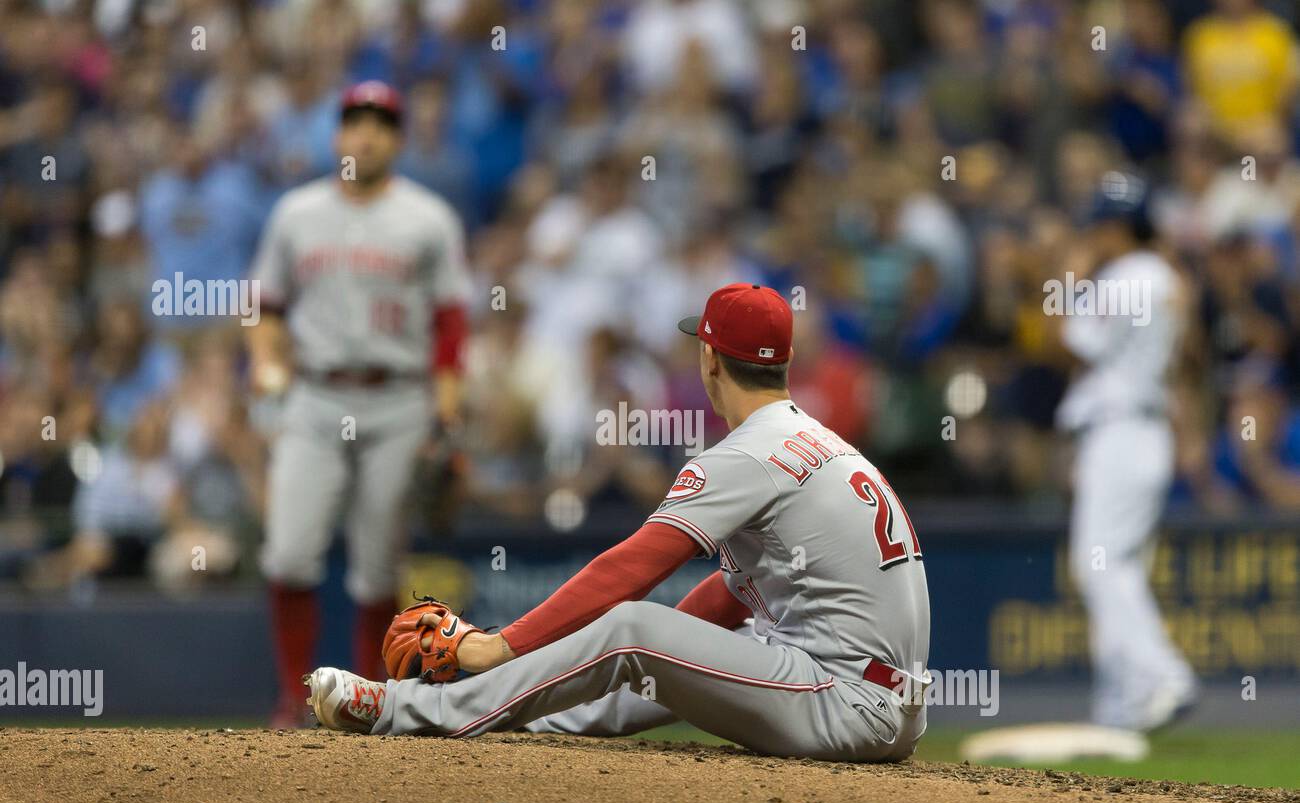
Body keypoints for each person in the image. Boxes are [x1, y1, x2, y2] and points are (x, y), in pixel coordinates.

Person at [304, 283, 931, 763]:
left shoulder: (746, 454)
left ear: (710, 360)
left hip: (846, 702)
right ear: (783, 363)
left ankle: (406, 708)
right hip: (875, 700)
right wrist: (595, 662)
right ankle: (507, 715)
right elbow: (726, 597)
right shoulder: (817, 442)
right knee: (640, 650)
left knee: (632, 627)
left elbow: (631, 568)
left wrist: (499, 646)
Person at [248, 81, 470, 727]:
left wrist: (448, 412)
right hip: (315, 394)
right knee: (289, 552)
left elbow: (451, 325)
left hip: (396, 397)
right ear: (336, 135)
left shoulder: (428, 218)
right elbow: (266, 305)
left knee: (376, 570)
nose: (364, 134)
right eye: (354, 122)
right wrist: (267, 362)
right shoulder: (296, 213)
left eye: (379, 123)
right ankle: (295, 695)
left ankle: (370, 700)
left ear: (397, 140)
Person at [1056, 172, 1197, 732]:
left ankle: (1163, 676)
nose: (1096, 233)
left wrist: (1067, 272)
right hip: (1147, 430)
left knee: (1099, 566)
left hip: (1120, 433)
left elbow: (1067, 344)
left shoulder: (1119, 276)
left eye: (1102, 224)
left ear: (1118, 227)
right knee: (1119, 566)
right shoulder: (1164, 275)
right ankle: (1120, 705)